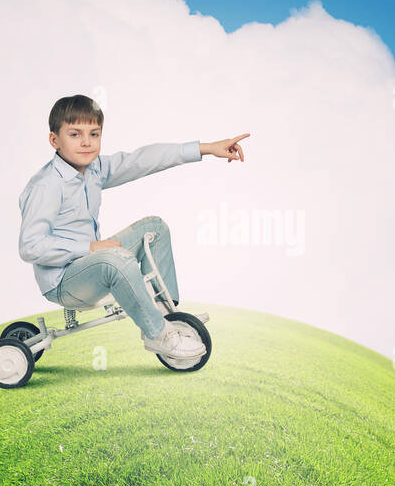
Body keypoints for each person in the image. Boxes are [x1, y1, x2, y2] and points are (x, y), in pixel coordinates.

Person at [18, 94, 247, 360]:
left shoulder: (94, 169)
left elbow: (141, 159)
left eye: (94, 134)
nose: (86, 142)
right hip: (63, 282)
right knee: (115, 260)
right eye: (74, 134)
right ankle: (158, 335)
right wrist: (90, 247)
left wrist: (205, 148)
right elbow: (30, 246)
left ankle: (164, 316)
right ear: (54, 140)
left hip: (91, 265)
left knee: (154, 229)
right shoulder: (46, 186)